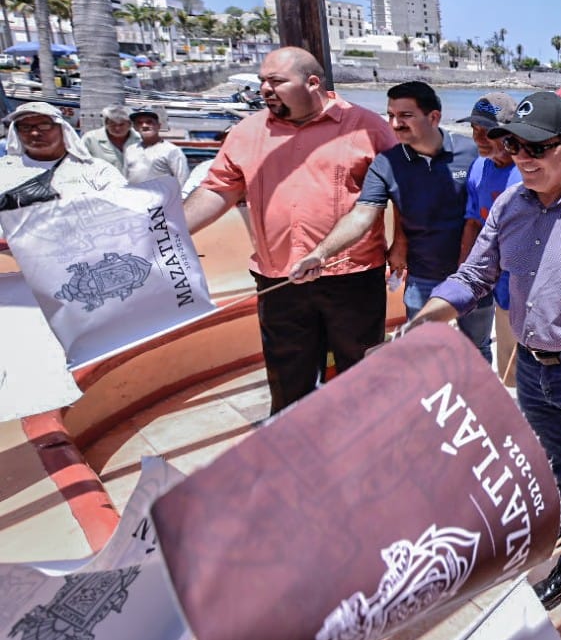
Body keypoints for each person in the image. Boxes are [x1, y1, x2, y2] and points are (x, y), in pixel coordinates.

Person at [410, 91, 561, 640]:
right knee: (559, 474)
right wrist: (425, 319)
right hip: (534, 369)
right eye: (514, 146)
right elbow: (474, 276)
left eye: (536, 147)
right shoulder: (511, 203)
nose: (523, 157)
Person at [182, 48, 396, 414]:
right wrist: (167, 231)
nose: (265, 89)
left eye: (277, 81)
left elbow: (403, 190)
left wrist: (401, 246)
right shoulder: (247, 132)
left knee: (360, 373)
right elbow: (219, 190)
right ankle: (292, 439)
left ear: (312, 83)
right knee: (287, 377)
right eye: (262, 81)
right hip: (279, 279)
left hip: (352, 276)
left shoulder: (368, 127)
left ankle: (364, 439)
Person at [286, 82, 492, 363]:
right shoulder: (386, 164)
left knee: (476, 348)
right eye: (391, 115)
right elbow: (362, 215)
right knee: (423, 353)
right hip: (423, 276)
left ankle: (480, 393)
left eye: (405, 115)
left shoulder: (472, 153)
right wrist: (320, 254)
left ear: (434, 117)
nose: (395, 124)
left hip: (473, 275)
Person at [461, 92, 519, 376]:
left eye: (487, 131)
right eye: (474, 129)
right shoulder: (478, 167)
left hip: (527, 289)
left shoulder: (529, 168)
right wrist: (463, 273)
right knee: (509, 374)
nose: (478, 138)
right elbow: (473, 221)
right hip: (497, 286)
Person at [0, 101, 125, 199]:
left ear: (62, 129)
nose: (34, 133)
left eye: (44, 125)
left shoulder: (97, 170)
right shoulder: (4, 169)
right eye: (25, 127)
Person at [124, 107, 190, 186]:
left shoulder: (172, 150)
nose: (144, 125)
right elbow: (125, 178)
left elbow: (182, 180)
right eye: (139, 123)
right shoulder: (130, 149)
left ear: (159, 126)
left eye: (149, 122)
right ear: (135, 127)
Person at [81, 105, 133, 175]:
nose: (117, 128)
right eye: (113, 124)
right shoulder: (90, 138)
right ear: (105, 123)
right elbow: (80, 164)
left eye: (121, 124)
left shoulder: (140, 138)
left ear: (130, 124)